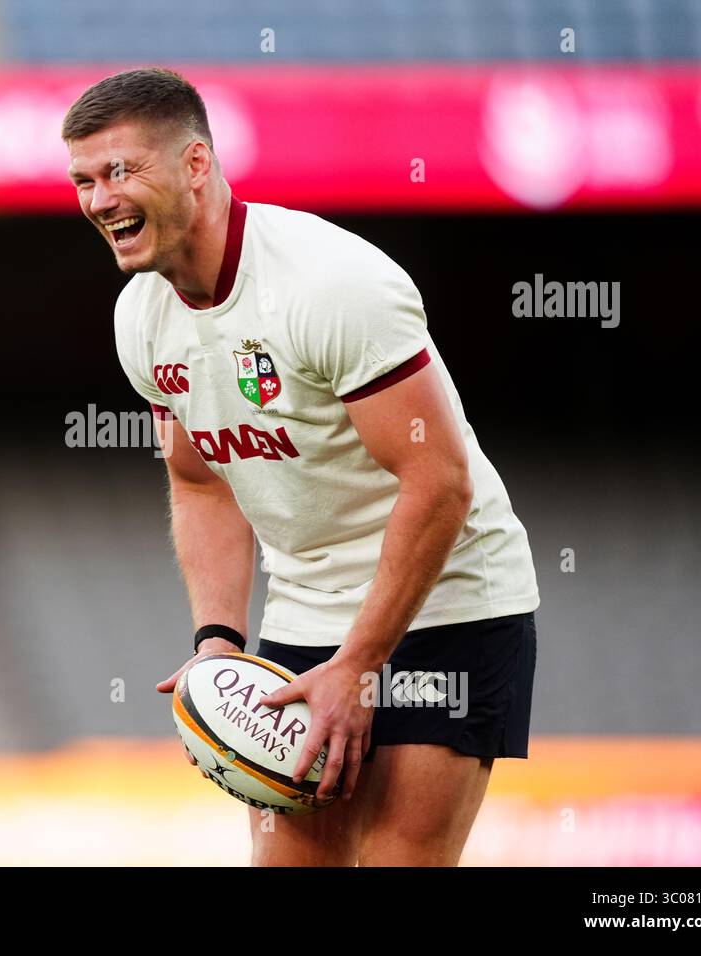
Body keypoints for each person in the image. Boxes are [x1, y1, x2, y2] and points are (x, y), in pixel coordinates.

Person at [62, 68, 539, 866]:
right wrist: (218, 639)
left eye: (120, 171)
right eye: (83, 179)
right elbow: (201, 481)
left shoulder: (330, 284)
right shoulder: (140, 318)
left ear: (196, 165)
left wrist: (359, 666)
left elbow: (440, 482)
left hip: (450, 604)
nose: (100, 199)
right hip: (305, 612)